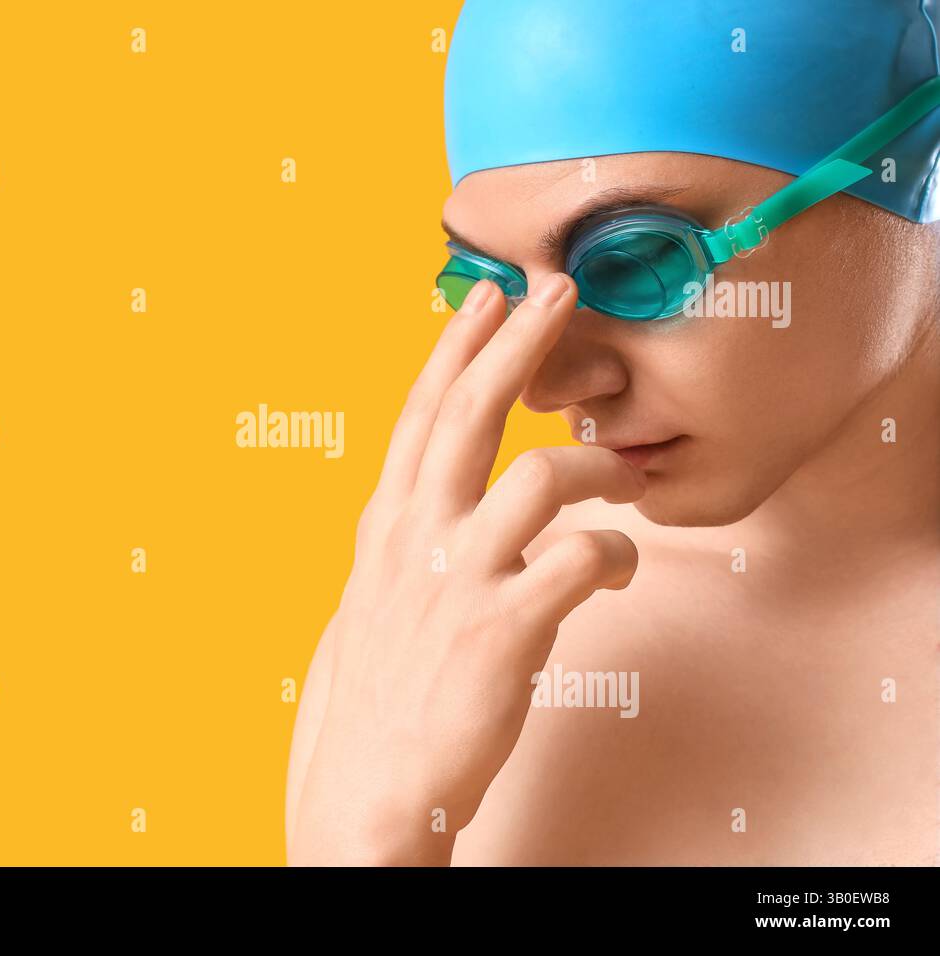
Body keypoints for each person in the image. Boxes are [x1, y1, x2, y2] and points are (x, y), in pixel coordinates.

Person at [285, 0, 940, 865]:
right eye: (497, 284)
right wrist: (368, 837)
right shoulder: (429, 640)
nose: (550, 385)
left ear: (913, 166)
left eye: (639, 264)